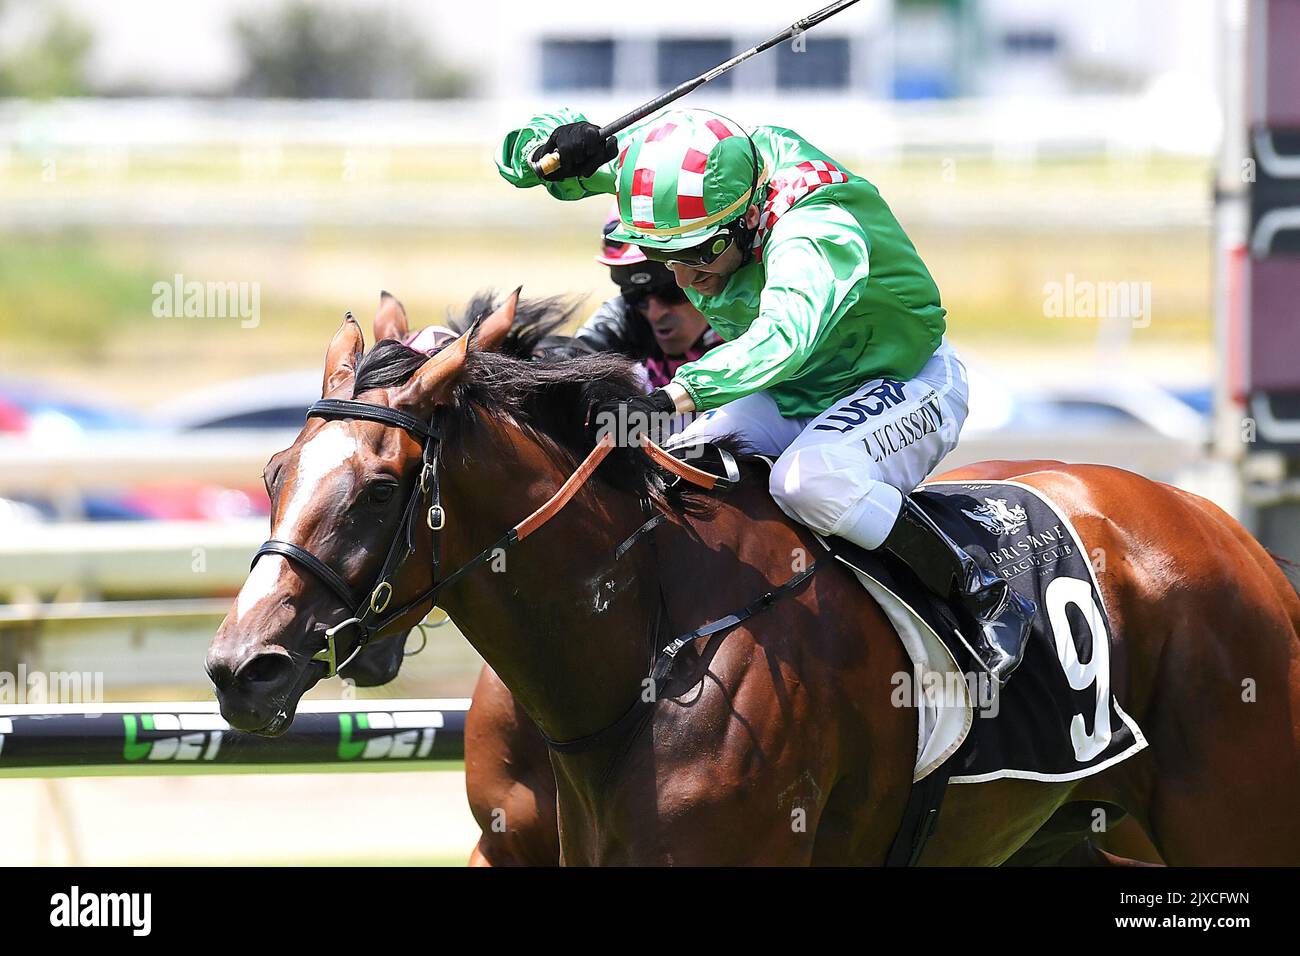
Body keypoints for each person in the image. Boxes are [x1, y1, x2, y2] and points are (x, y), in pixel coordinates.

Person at [496, 107, 1033, 682]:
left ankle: (977, 590)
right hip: (797, 392)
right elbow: (539, 165)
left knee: (808, 481)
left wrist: (673, 396)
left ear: (747, 220)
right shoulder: (701, 175)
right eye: (662, 256)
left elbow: (784, 340)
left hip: (907, 381)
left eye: (699, 253)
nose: (682, 278)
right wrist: (543, 152)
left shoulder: (817, 226)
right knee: (672, 468)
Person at [566, 204, 721, 434]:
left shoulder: (755, 313)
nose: (654, 313)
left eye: (670, 291)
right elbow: (566, 360)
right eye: (635, 294)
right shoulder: (623, 317)